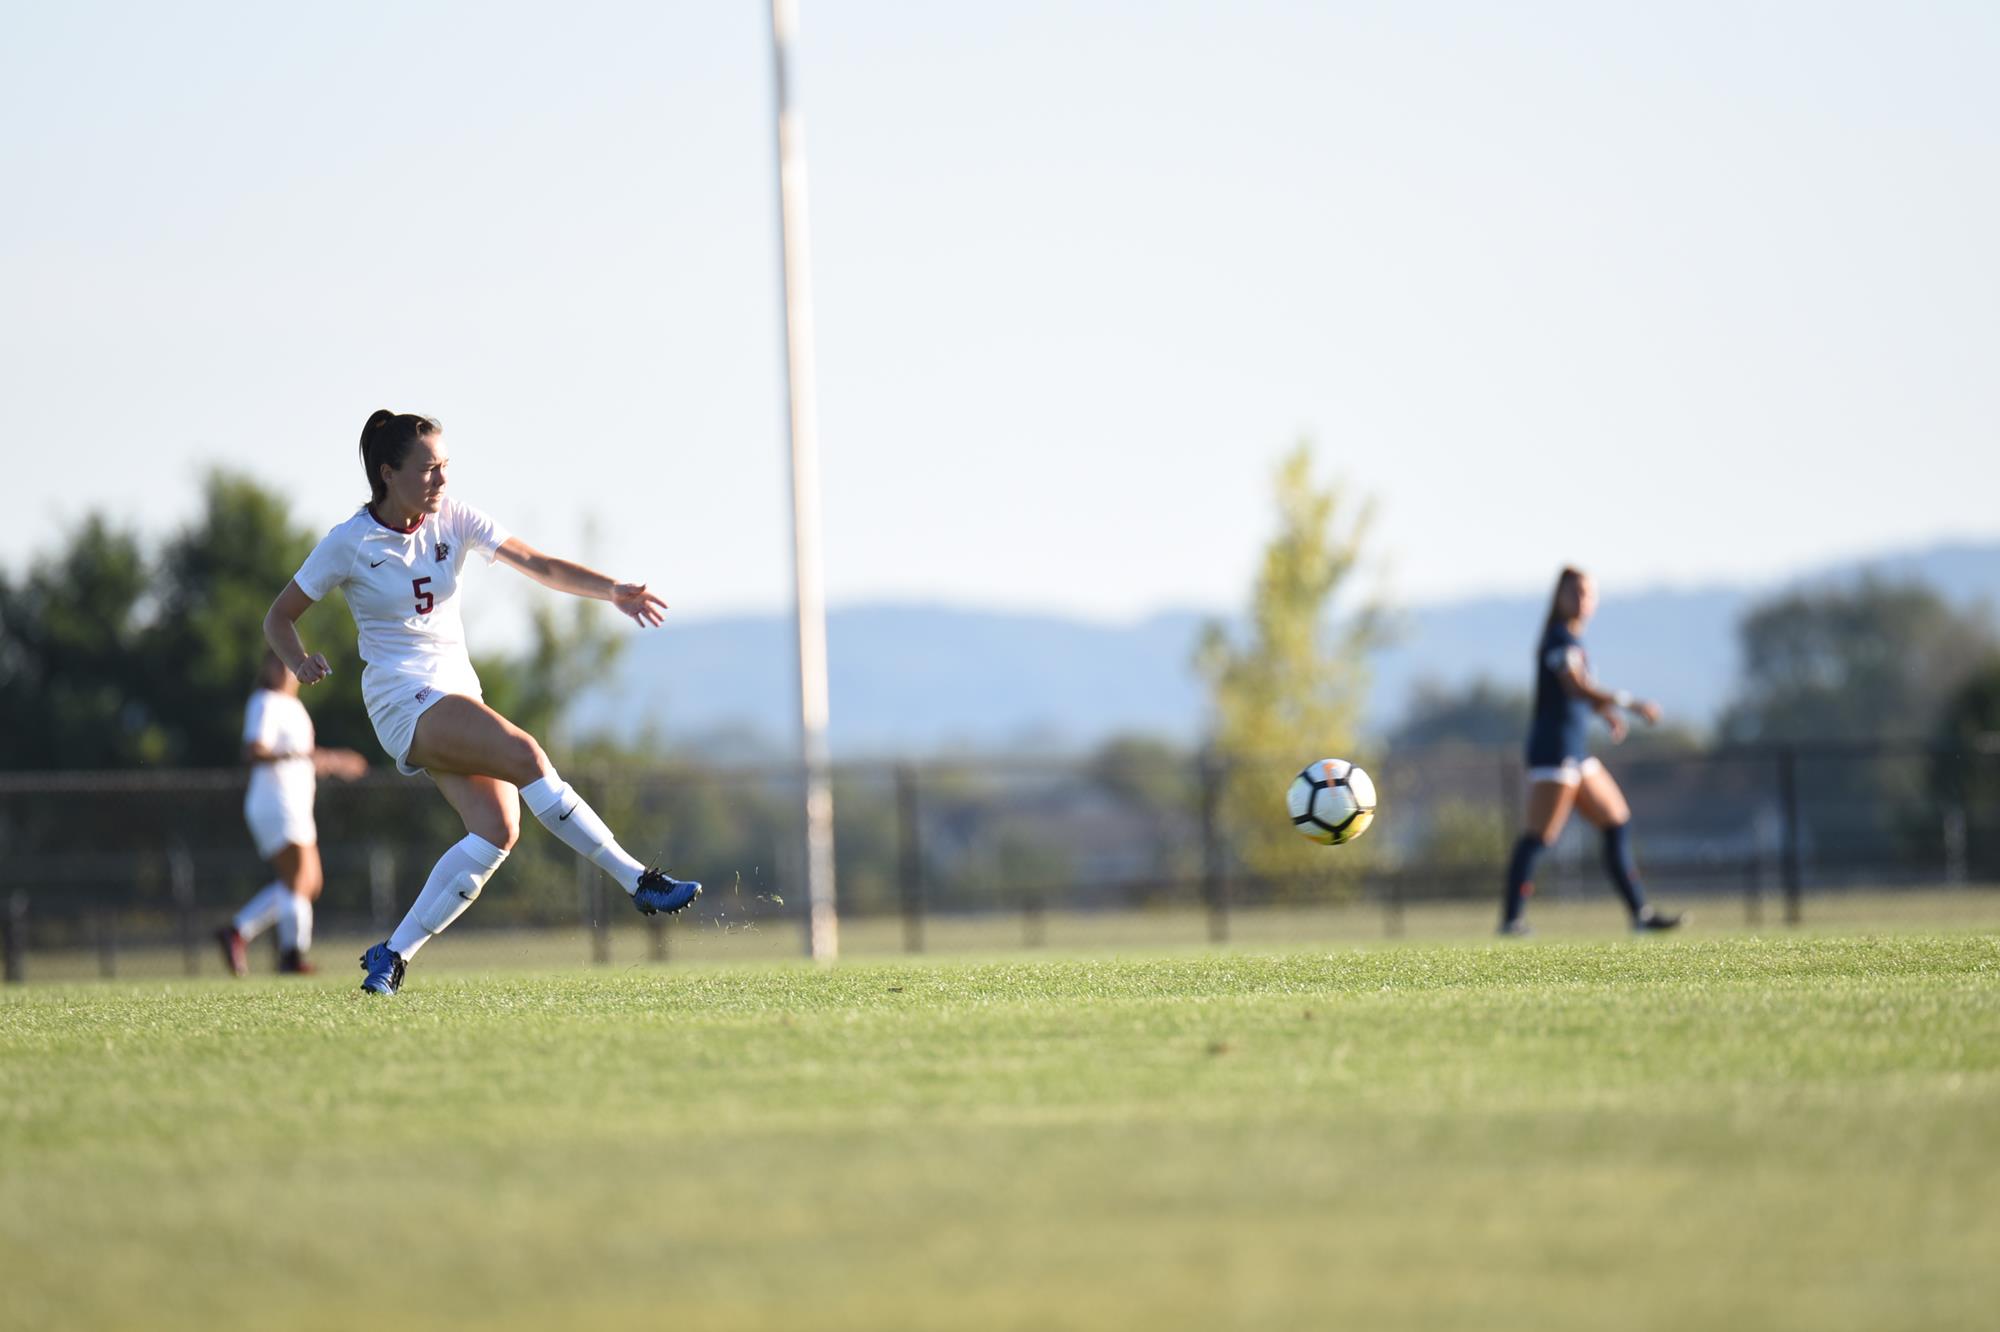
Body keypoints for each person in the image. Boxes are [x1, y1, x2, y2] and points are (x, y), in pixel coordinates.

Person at [262, 409, 701, 995]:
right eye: (428, 469)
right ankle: (638, 880)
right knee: (526, 754)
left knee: (496, 830)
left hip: (456, 690)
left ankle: (392, 957)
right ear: (388, 473)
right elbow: (279, 617)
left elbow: (539, 564)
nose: (442, 479)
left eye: (445, 465)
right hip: (401, 698)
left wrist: (611, 590)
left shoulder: (455, 518)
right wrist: (298, 661)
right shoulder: (351, 541)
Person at [1499, 566, 1683, 936]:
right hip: (1554, 753)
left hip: (1577, 753)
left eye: (1587, 593)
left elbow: (1581, 691)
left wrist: (1605, 712)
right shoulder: (1557, 639)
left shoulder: (1574, 640)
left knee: (1617, 822)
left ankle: (1641, 914)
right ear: (1559, 598)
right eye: (1574, 592)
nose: (1581, 600)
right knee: (1539, 837)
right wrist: (1628, 704)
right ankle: (1512, 921)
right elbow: (1574, 687)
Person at [215, 653, 369, 975]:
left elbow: (304, 756)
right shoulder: (265, 701)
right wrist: (304, 756)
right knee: (298, 880)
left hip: (296, 803)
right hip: (274, 801)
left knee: (309, 883)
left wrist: (333, 761)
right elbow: (254, 749)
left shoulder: (295, 707)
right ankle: (292, 955)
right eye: (275, 662)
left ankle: (238, 931)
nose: (281, 669)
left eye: (285, 663)